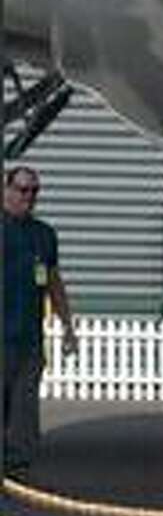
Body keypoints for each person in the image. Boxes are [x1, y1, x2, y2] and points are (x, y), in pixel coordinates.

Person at [4, 164, 78, 479]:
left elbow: (53, 282)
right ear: (6, 190)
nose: (29, 197)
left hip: (29, 339)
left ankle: (18, 466)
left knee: (24, 406)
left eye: (34, 192)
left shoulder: (44, 235)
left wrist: (67, 326)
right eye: (22, 190)